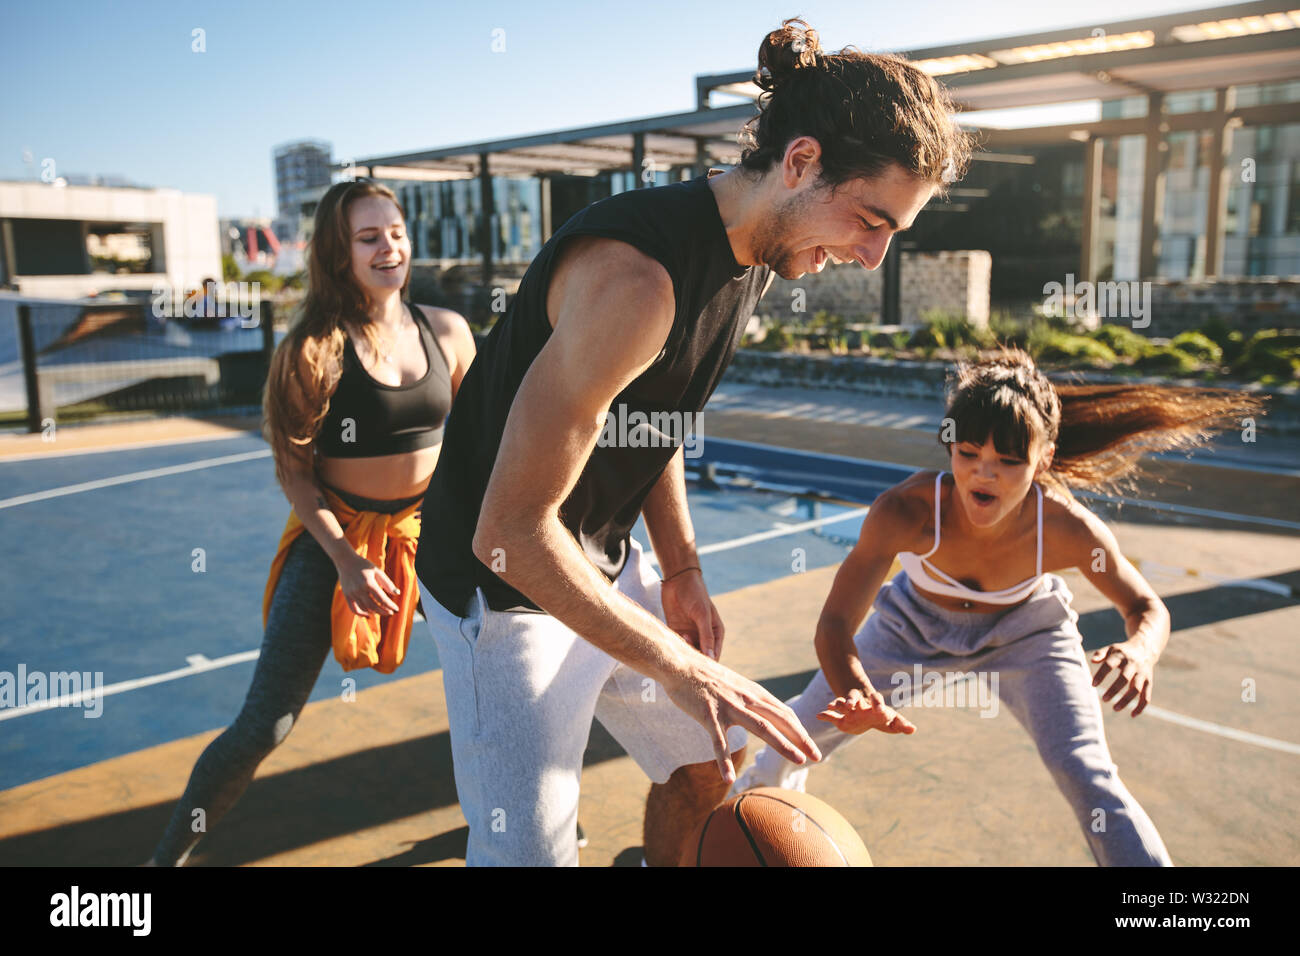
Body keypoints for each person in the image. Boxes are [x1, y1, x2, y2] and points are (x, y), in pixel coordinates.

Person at [413, 17, 975, 866]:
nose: (872, 255)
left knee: (710, 766)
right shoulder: (635, 280)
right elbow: (509, 535)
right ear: (800, 163)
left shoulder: (756, 248)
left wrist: (679, 567)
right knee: (527, 856)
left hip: (604, 552)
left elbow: (655, 414)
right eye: (870, 219)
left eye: (893, 231)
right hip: (501, 593)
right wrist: (685, 666)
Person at [731, 346, 1267, 866]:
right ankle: (741, 832)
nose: (984, 474)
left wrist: (1141, 650)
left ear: (1043, 460)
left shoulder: (1066, 528)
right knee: (788, 741)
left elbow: (1146, 605)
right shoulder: (905, 511)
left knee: (1087, 772)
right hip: (909, 627)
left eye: (1008, 462)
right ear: (950, 447)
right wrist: (855, 693)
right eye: (968, 455)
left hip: (1027, 633)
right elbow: (834, 624)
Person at [146, 179, 475, 865]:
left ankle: (513, 821)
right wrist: (348, 562)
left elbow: (473, 443)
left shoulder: (448, 331)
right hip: (337, 544)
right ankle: (168, 856)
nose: (389, 246)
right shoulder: (312, 349)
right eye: (368, 237)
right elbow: (295, 473)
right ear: (338, 251)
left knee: (496, 686)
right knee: (264, 725)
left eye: (395, 231)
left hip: (426, 538)